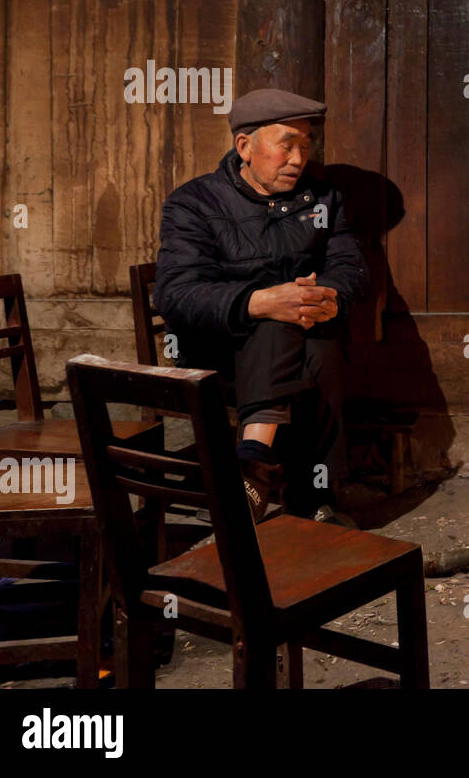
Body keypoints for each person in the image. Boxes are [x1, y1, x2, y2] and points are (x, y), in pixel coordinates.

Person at [155, 88, 369, 525]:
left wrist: (327, 299)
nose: (297, 159)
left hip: (299, 345)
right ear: (245, 147)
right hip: (219, 352)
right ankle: (314, 499)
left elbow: (350, 269)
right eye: (286, 144)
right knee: (281, 320)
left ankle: (251, 464)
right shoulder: (194, 203)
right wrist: (258, 302)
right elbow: (175, 294)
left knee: (312, 342)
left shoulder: (324, 201)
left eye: (305, 148)